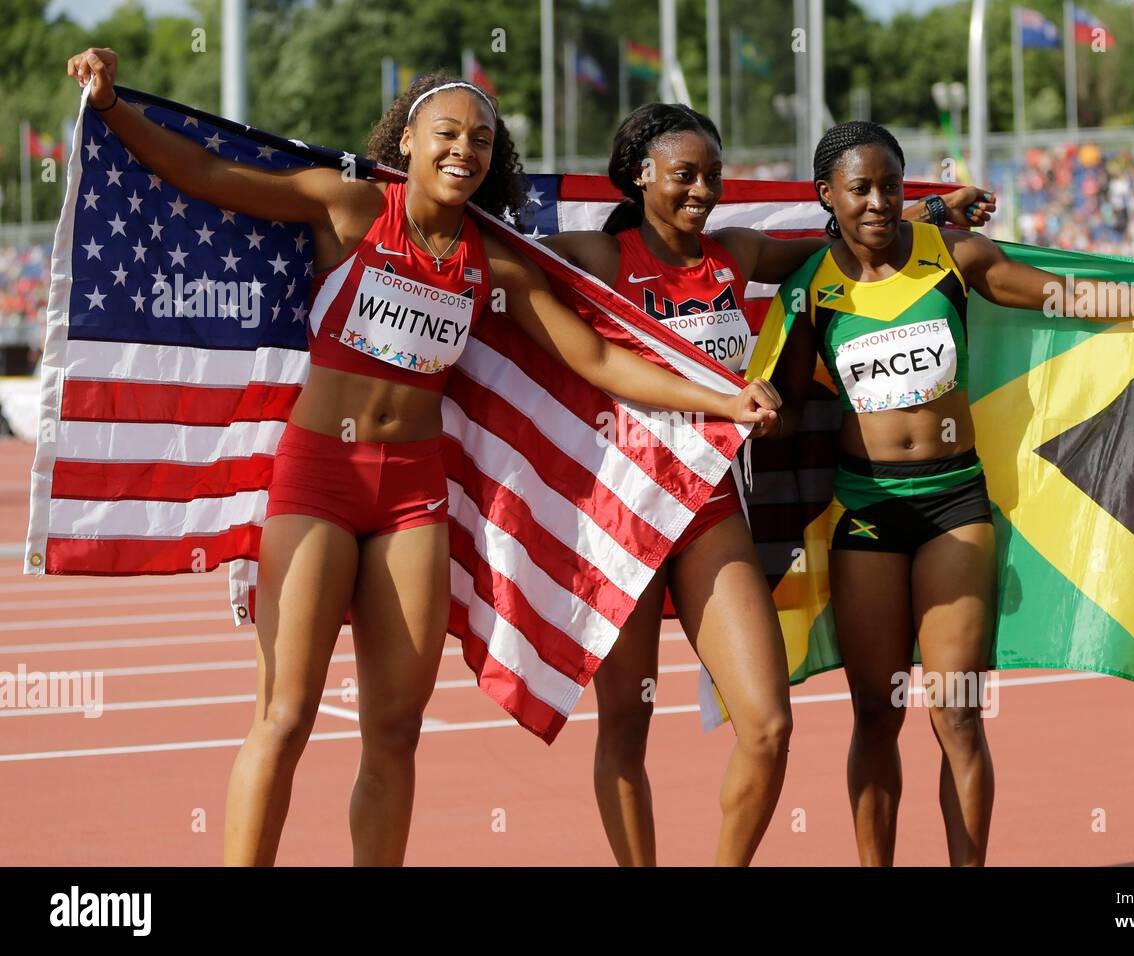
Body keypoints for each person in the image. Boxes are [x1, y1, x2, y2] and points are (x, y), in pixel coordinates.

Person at [67, 49, 780, 867]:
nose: (464, 151)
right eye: (447, 133)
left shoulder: (492, 262)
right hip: (318, 482)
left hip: (411, 495)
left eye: (482, 140)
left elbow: (595, 358)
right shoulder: (348, 208)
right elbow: (203, 170)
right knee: (287, 714)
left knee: (396, 729)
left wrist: (726, 400)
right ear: (407, 141)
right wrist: (115, 106)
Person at [773, 120, 1134, 866]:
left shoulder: (953, 254)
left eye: (891, 186)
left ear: (908, 191)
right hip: (866, 510)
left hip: (953, 507)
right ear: (826, 196)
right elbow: (785, 407)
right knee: (875, 713)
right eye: (860, 188)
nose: (876, 201)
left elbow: (1065, 297)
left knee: (959, 714)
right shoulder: (811, 289)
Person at [540, 103, 995, 866]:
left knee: (769, 725)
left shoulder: (736, 253)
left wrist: (929, 210)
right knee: (625, 725)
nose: (703, 191)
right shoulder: (601, 254)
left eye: (713, 176)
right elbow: (511, 258)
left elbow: (844, 237)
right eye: (685, 175)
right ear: (639, 177)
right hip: (624, 511)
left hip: (711, 508)